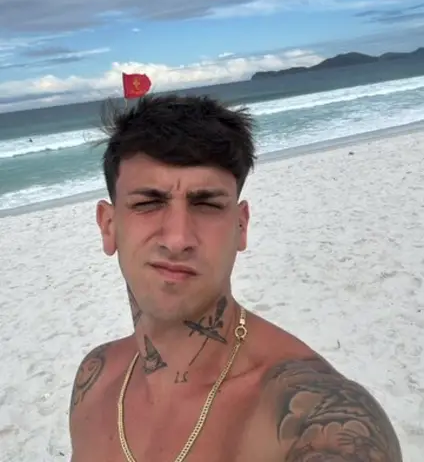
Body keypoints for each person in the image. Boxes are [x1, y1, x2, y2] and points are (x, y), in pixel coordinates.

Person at [69, 94, 403, 462]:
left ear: (241, 227)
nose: (177, 239)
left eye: (207, 204)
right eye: (148, 203)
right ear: (109, 226)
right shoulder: (95, 380)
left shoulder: (312, 415)